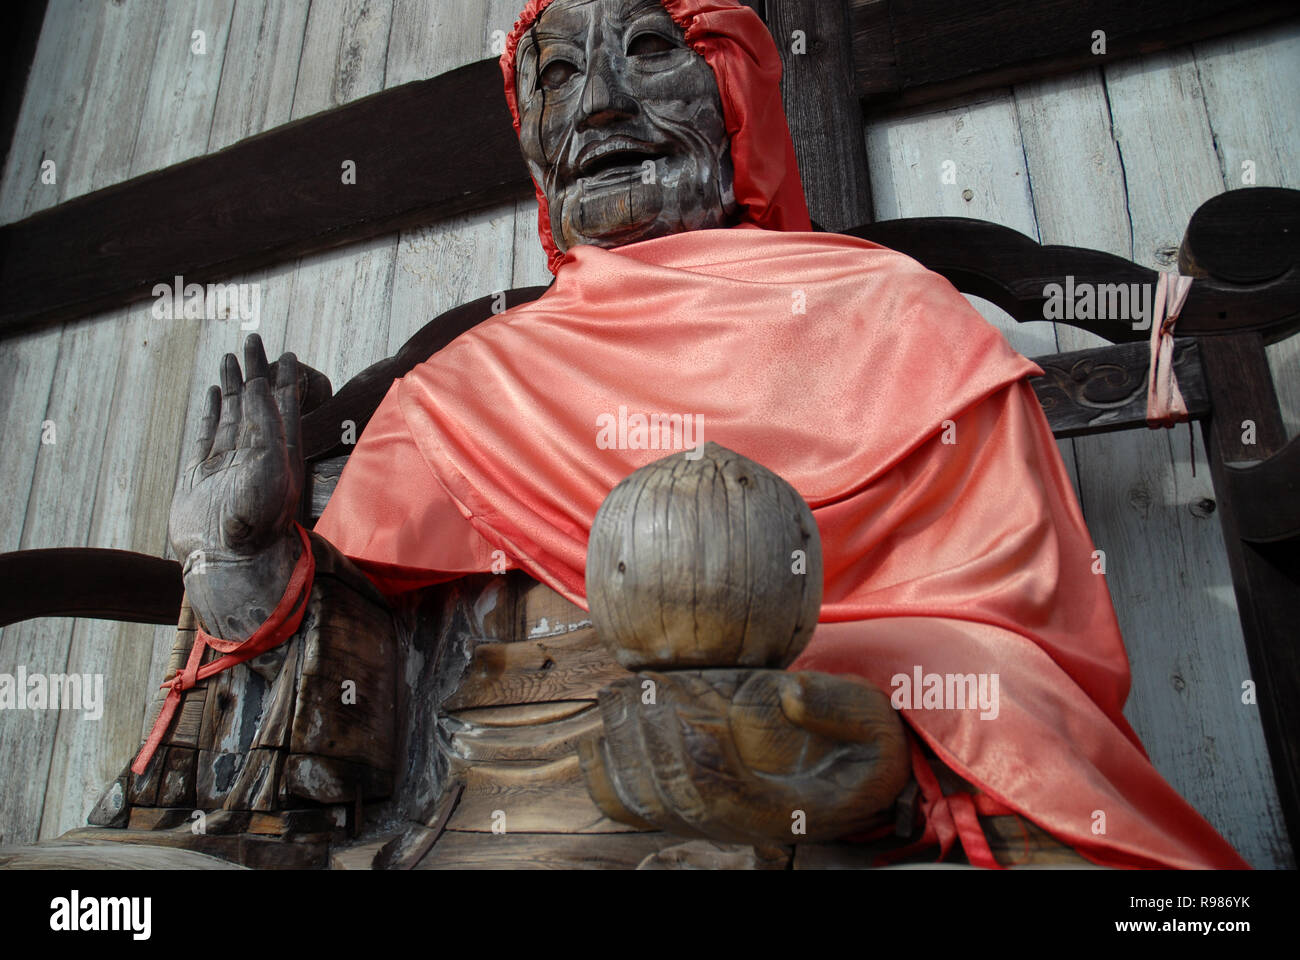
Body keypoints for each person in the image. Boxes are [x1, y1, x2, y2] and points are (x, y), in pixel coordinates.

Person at [162, 0, 1247, 868]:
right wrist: (244, 568)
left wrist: (812, 730)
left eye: (643, 49)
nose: (596, 108)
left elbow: (1017, 648)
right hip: (480, 814)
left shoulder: (892, 315)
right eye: (554, 78)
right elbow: (360, 696)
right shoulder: (465, 384)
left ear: (732, 96)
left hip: (789, 800)